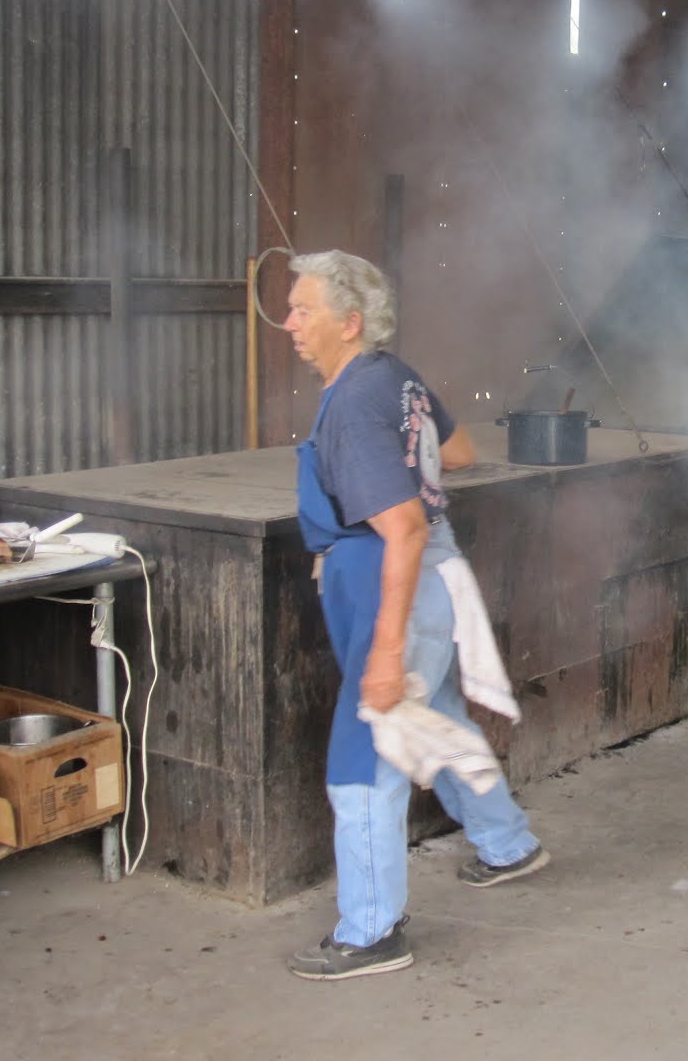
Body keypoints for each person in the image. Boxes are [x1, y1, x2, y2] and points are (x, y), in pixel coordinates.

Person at [283, 249, 548, 980]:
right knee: (441, 721)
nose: (289, 322)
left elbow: (402, 527)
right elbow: (457, 451)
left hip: (397, 584)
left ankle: (371, 932)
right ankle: (507, 844)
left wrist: (385, 654)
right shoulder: (393, 378)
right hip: (435, 580)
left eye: (303, 309)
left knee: (366, 757)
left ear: (350, 321)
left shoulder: (357, 401)